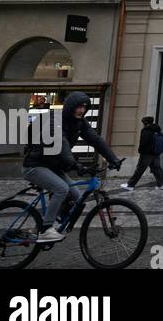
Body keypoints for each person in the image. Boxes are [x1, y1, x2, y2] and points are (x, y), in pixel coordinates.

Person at [22, 92, 123, 244]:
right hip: (35, 165)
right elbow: (61, 143)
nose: (81, 110)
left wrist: (112, 158)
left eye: (84, 107)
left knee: (76, 195)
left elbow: (95, 139)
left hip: (54, 167)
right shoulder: (55, 120)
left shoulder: (80, 123)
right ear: (70, 107)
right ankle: (45, 230)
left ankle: (45, 225)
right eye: (78, 107)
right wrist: (75, 165)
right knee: (61, 189)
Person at [122, 116, 163, 191]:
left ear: (145, 122)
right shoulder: (157, 129)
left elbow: (143, 143)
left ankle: (130, 185)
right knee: (157, 169)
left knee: (140, 169)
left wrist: (140, 151)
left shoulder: (146, 130)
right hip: (156, 153)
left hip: (147, 153)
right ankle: (161, 185)